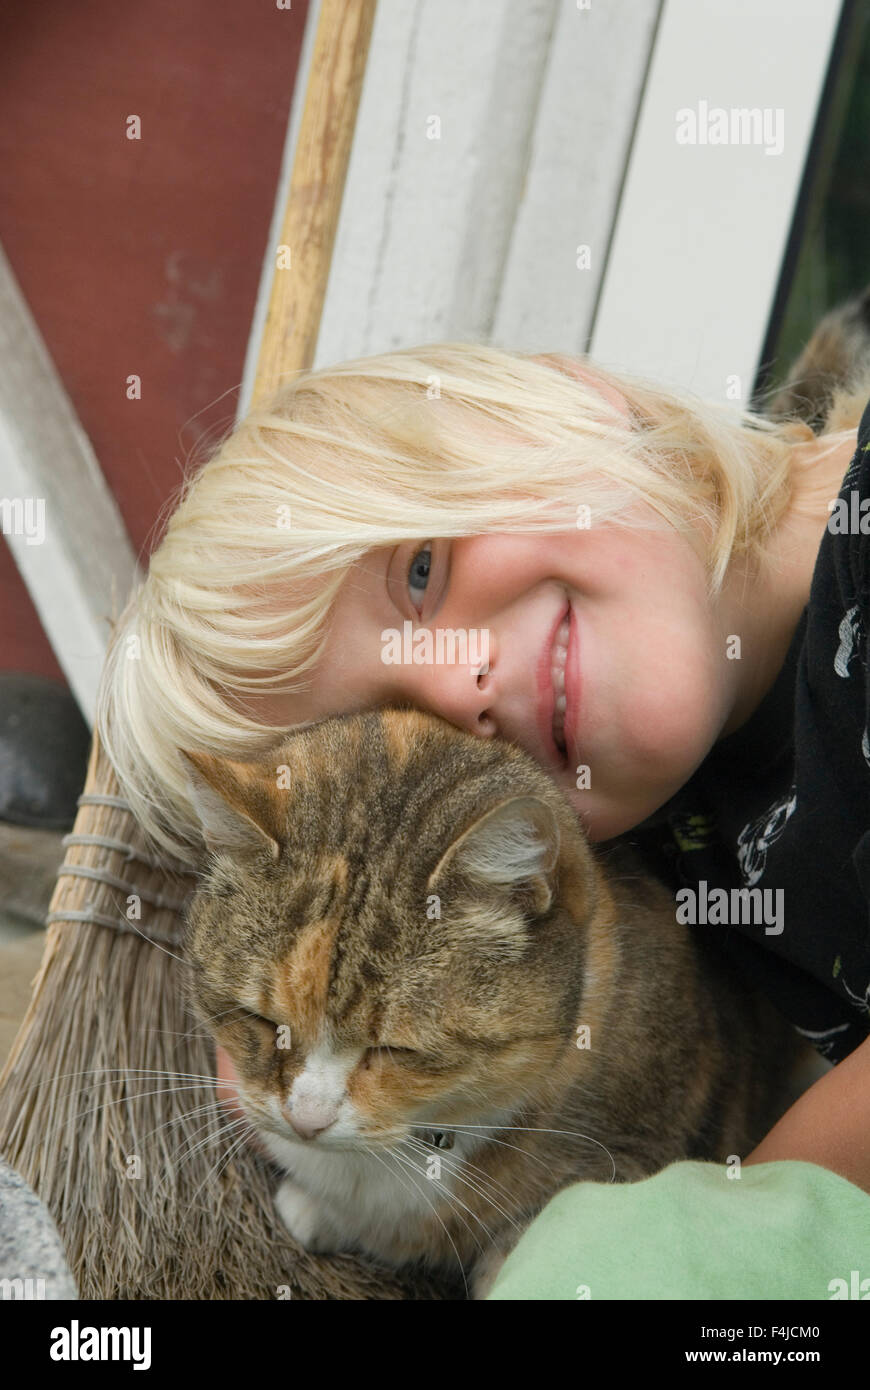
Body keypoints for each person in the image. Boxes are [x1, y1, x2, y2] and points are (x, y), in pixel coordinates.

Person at [96, 344, 870, 1296]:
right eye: (402, 729)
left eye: (421, 572)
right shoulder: (664, 808)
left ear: (572, 397)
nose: (460, 688)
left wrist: (707, 1245)